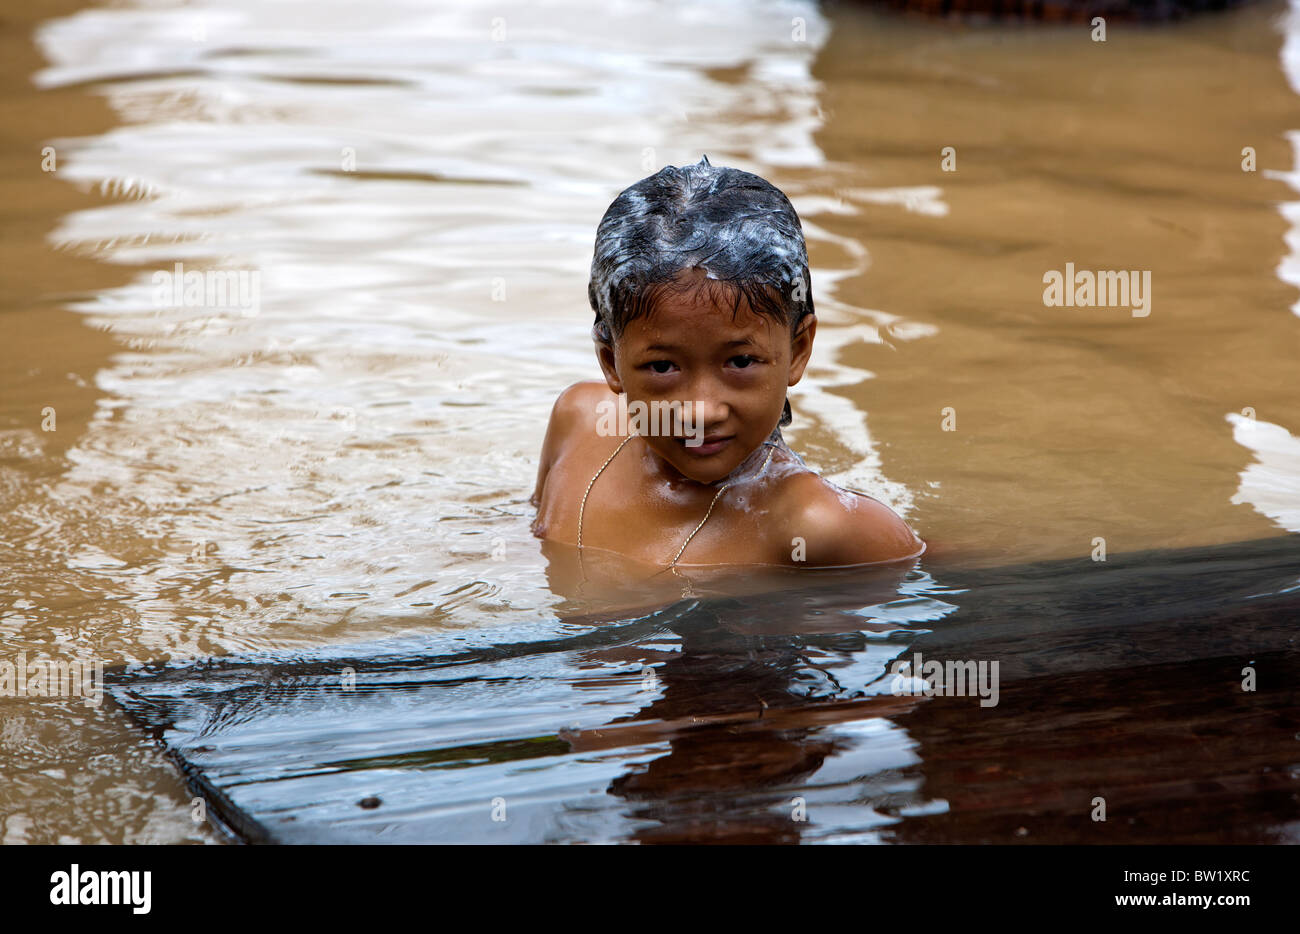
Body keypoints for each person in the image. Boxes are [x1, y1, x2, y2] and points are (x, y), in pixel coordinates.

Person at [530, 156, 924, 572]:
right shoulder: (578, 422)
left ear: (800, 349)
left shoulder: (819, 528)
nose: (702, 411)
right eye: (663, 367)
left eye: (740, 361)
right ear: (610, 361)